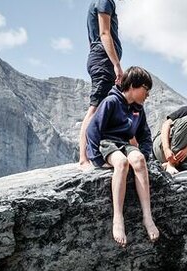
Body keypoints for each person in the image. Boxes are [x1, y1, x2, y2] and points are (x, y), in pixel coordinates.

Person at [85, 67, 159, 247]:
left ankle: (147, 217)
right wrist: (97, 159)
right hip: (107, 143)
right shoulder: (111, 101)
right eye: (145, 89)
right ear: (133, 86)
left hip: (124, 144)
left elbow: (145, 136)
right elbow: (93, 129)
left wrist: (145, 153)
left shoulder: (138, 110)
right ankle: (118, 218)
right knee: (122, 163)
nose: (147, 95)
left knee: (139, 160)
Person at [78, 0, 124, 168]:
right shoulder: (105, 1)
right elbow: (105, 34)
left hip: (100, 58)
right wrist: (116, 64)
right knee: (95, 108)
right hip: (103, 60)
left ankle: (94, 155)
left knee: (101, 108)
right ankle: (84, 159)